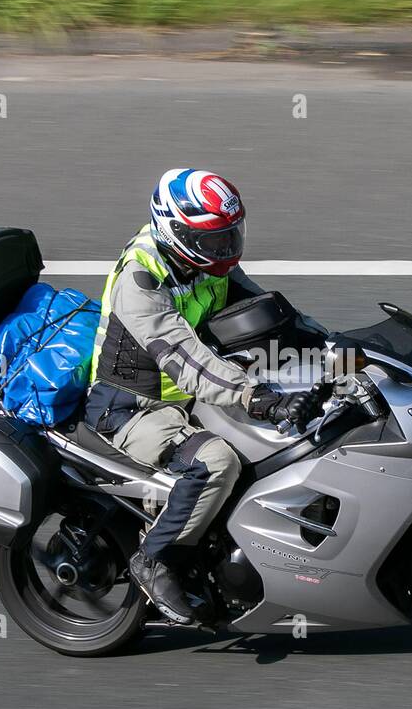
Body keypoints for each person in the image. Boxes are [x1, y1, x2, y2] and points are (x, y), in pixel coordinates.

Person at [84, 168, 323, 624]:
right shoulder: (142, 281)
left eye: (231, 237)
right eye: (215, 242)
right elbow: (188, 363)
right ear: (175, 232)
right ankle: (155, 560)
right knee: (216, 462)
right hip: (135, 407)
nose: (227, 251)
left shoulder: (201, 262)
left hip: (191, 394)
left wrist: (334, 350)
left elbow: (269, 312)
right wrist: (257, 398)